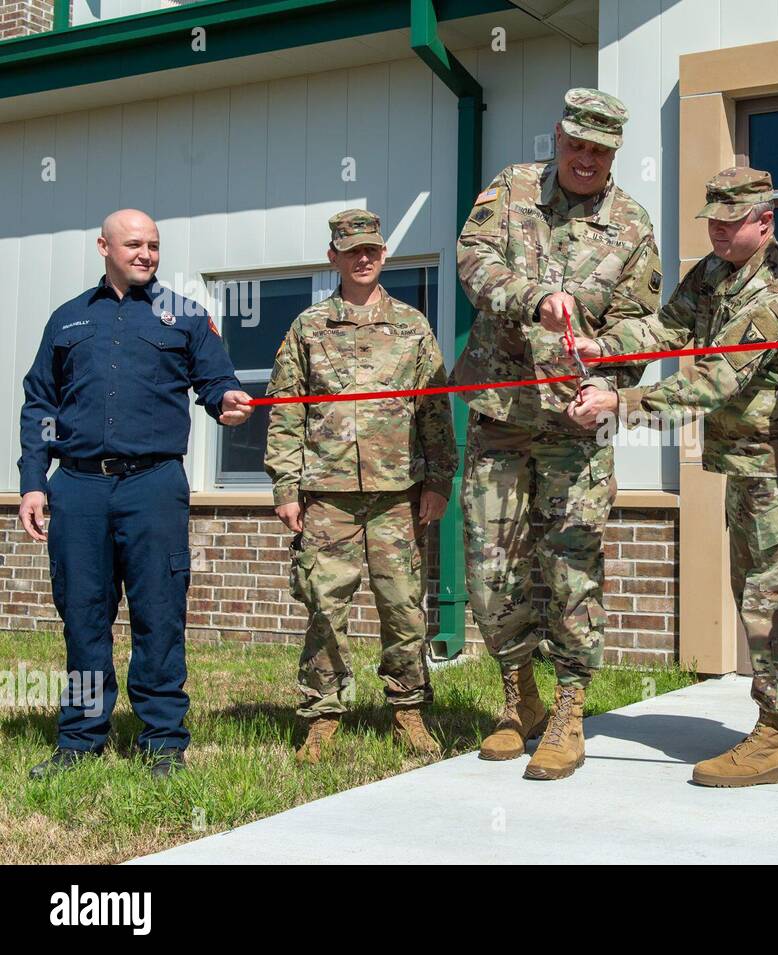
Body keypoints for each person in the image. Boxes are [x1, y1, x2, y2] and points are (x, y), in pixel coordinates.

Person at [566, 167, 778, 786]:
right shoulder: (715, 272)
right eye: (712, 218)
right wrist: (609, 348)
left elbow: (712, 381)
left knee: (775, 593)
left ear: (764, 222)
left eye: (730, 221)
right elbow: (668, 326)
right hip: (743, 461)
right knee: (755, 586)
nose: (717, 230)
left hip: (775, 465)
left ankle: (774, 736)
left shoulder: (776, 294)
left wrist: (621, 405)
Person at [454, 87, 667, 780]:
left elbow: (645, 326)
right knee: (490, 569)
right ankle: (519, 698)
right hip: (501, 415)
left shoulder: (632, 224)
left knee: (572, 568)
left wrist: (608, 382)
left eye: (599, 151)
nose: (585, 160)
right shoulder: (511, 189)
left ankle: (571, 706)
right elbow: (474, 259)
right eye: (576, 145)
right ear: (559, 136)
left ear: (614, 154)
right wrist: (532, 298)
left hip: (574, 424)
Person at [19, 208, 253, 779]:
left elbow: (216, 381)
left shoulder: (186, 316)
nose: (146, 254)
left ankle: (163, 741)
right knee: (82, 615)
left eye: (153, 245)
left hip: (152, 486)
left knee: (159, 613)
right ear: (104, 247)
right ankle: (78, 740)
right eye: (133, 245)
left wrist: (226, 403)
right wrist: (32, 482)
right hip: (76, 487)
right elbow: (40, 405)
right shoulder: (69, 319)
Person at [264, 209, 457, 764]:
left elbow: (434, 410)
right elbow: (284, 413)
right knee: (325, 607)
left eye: (372, 248)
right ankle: (323, 714)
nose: (363, 258)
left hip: (398, 492)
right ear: (334, 257)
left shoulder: (412, 326)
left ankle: (408, 710)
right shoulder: (308, 327)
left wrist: (439, 479)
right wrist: (286, 487)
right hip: (327, 495)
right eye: (352, 251)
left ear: (383, 254)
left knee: (403, 606)